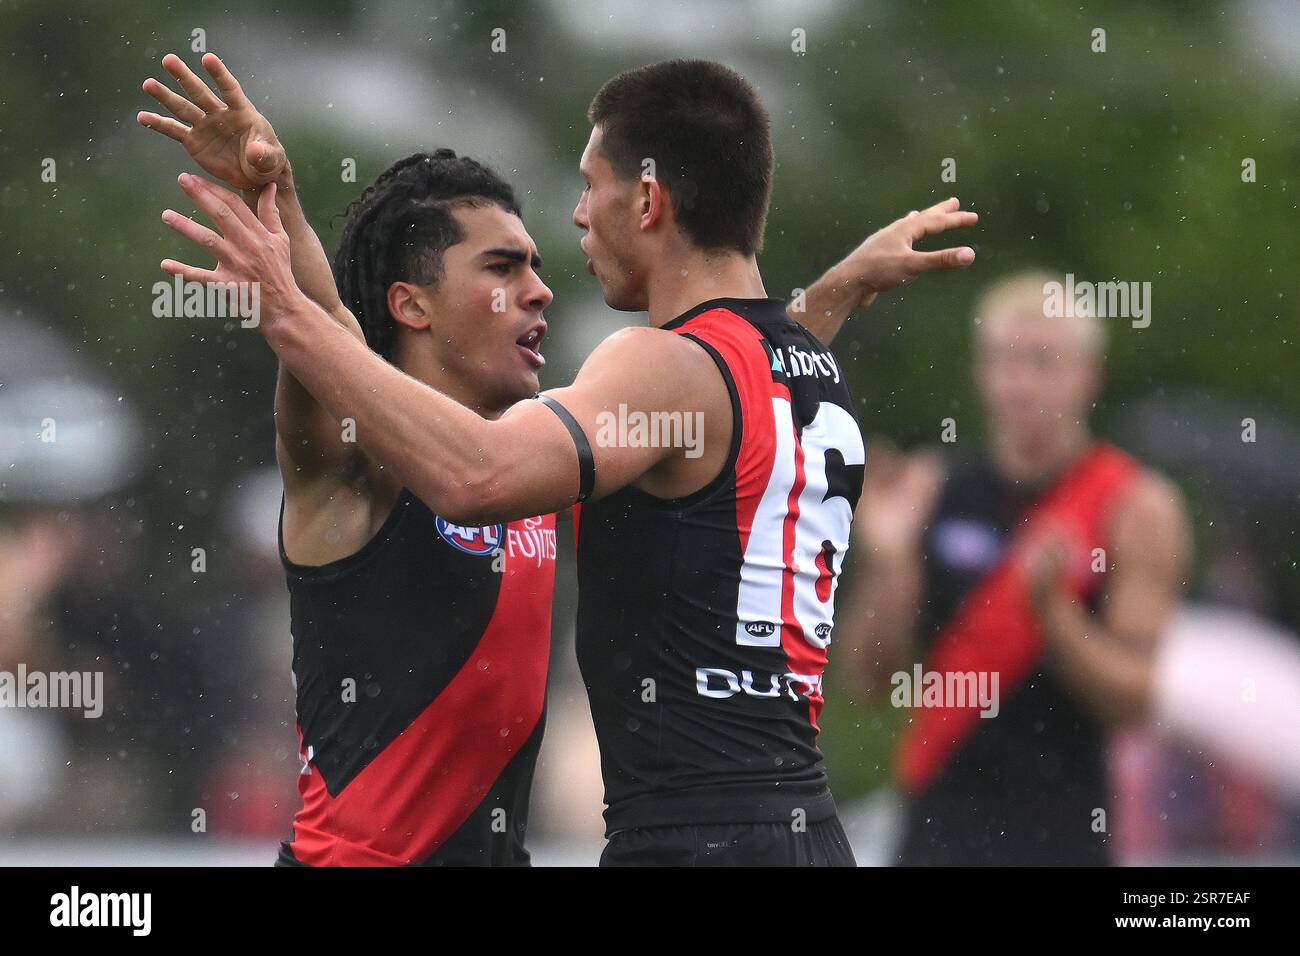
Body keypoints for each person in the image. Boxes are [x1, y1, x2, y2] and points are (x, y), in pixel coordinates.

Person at [140, 53, 977, 865]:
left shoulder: (546, 449)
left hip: (687, 841)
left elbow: (684, 406)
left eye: (585, 191)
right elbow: (733, 389)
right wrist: (276, 216)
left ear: (648, 197)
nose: (544, 282)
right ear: (412, 305)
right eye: (504, 269)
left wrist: (285, 302)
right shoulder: (366, 460)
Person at [837, 270, 1191, 864]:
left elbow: (1135, 701)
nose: (1020, 384)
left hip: (1063, 831)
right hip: (940, 822)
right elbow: (869, 681)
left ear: (1089, 378)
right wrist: (890, 562)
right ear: (980, 371)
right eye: (1004, 361)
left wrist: (1055, 614)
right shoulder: (935, 491)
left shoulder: (1134, 508)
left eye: (1043, 362)